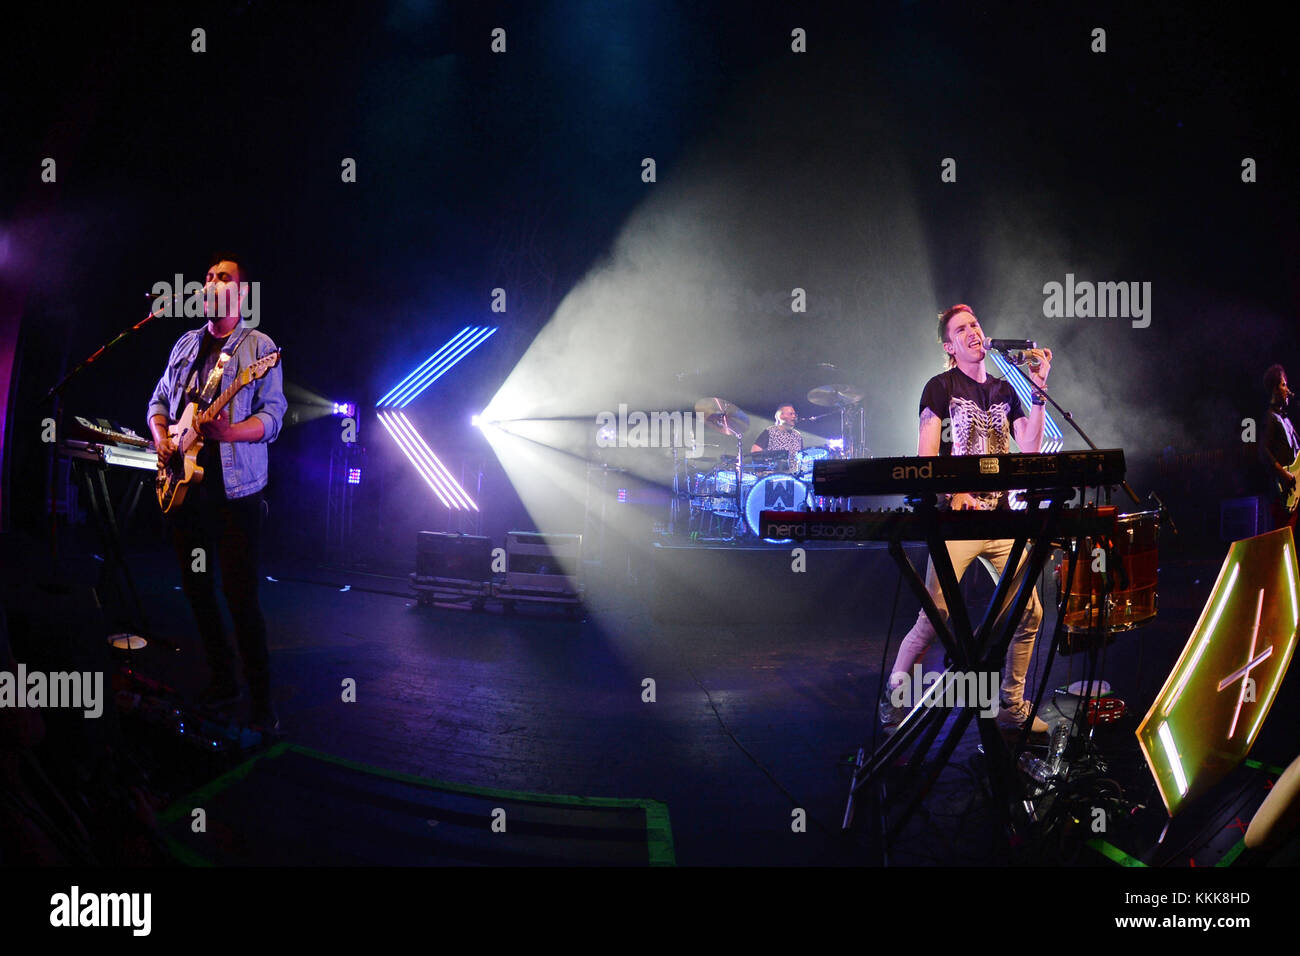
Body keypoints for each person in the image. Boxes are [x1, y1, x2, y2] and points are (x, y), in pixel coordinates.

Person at [880, 304, 1052, 735]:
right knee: (933, 616)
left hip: (999, 519)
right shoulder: (939, 388)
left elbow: (1029, 449)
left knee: (1029, 612)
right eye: (962, 328)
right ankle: (894, 705)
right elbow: (925, 457)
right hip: (955, 520)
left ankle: (1011, 705)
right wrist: (955, 491)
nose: (973, 331)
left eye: (975, 323)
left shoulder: (1003, 389)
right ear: (949, 345)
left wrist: (1038, 389)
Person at [147, 255, 286, 733]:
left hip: (237, 494)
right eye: (207, 276)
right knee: (198, 591)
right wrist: (161, 435)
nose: (212, 281)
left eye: (223, 277)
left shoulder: (260, 348)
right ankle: (224, 681)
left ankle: (263, 701)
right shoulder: (185, 344)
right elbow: (158, 402)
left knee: (241, 596)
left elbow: (272, 418)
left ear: (242, 295)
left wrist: (230, 433)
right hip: (187, 491)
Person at [1260, 364, 1299, 533]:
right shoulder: (1270, 417)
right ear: (1275, 390)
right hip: (1283, 494)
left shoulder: (1286, 420)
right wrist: (1284, 474)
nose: (1287, 389)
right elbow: (1263, 451)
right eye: (1283, 385)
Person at [751, 404, 804, 471]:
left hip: (794, 477)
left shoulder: (798, 435)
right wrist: (763, 470)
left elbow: (802, 456)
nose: (794, 416)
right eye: (791, 414)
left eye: (794, 414)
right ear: (781, 416)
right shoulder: (770, 431)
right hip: (774, 476)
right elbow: (755, 451)